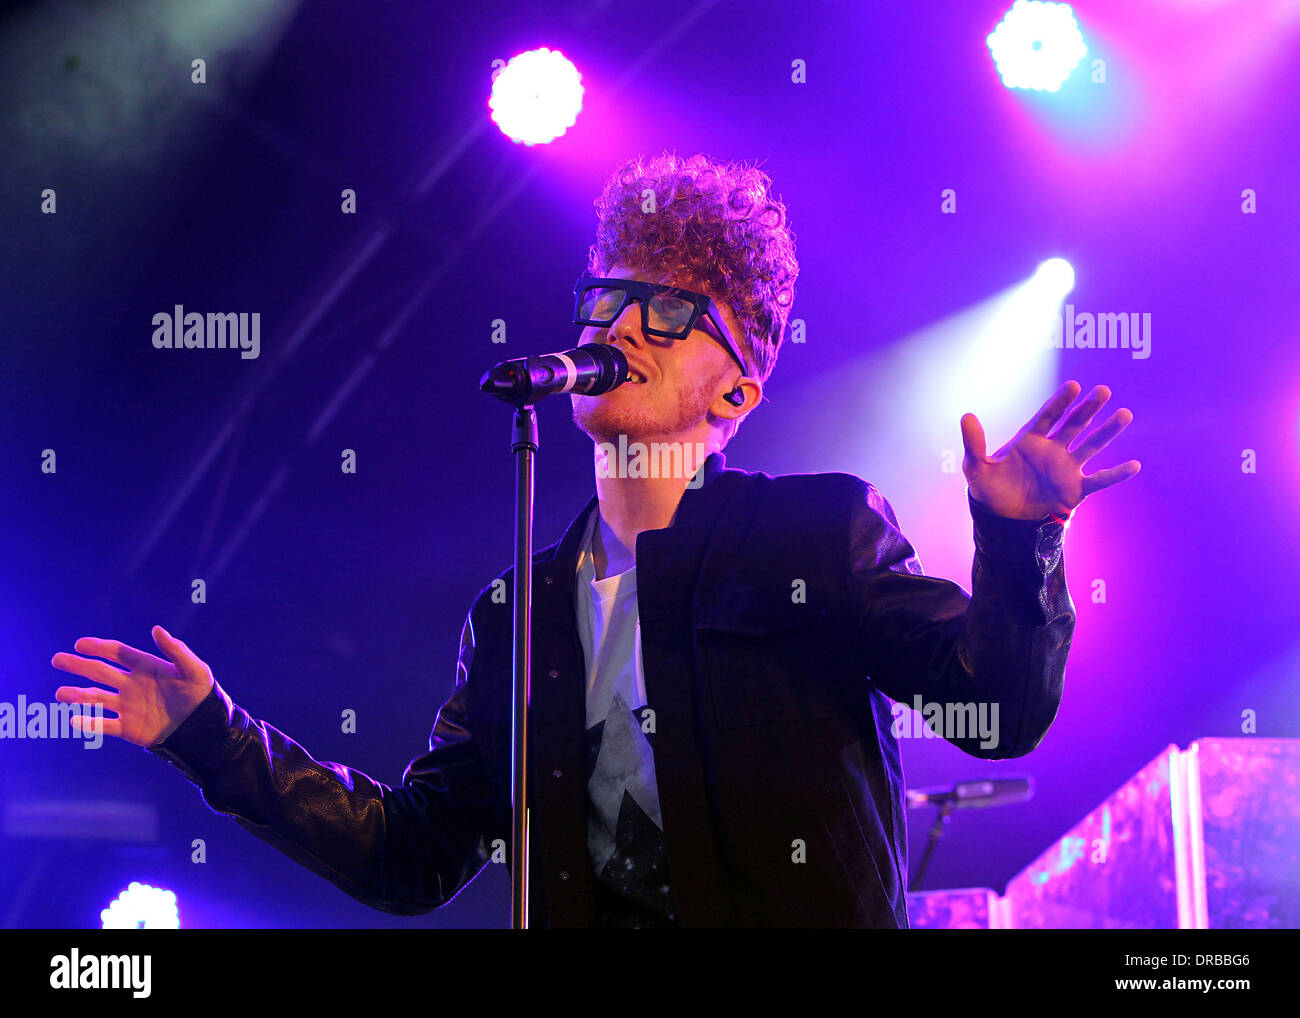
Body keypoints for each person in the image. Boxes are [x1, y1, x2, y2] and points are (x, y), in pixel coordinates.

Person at [50, 152, 1139, 928]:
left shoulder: (817, 532)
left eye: (669, 311)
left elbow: (993, 712)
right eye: (608, 298)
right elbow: (412, 855)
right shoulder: (512, 614)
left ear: (739, 383)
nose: (619, 326)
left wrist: (1013, 542)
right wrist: (214, 736)